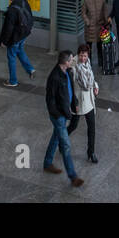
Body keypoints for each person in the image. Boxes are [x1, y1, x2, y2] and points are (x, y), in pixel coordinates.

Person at [43, 50, 84, 187]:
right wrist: (57, 114)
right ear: (66, 62)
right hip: (59, 116)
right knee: (65, 145)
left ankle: (47, 163)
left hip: (65, 112)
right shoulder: (54, 77)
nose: (73, 61)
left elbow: (70, 90)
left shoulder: (68, 71)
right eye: (72, 59)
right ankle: (73, 177)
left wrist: (74, 104)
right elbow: (50, 100)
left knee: (56, 137)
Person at [68, 44, 100, 164]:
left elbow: (91, 77)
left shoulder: (87, 62)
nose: (83, 58)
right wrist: (73, 102)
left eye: (85, 56)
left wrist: (95, 86)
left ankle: (91, 152)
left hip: (89, 100)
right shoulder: (73, 65)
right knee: (73, 125)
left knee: (92, 127)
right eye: (81, 55)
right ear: (78, 54)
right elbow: (70, 85)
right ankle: (61, 141)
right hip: (78, 101)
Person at [0, 0, 36, 87]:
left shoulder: (11, 10)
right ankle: (30, 69)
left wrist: (4, 42)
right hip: (25, 33)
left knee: (11, 57)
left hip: (16, 36)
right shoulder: (24, 2)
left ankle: (13, 81)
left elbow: (8, 28)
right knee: (20, 50)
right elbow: (30, 16)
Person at [81, 0, 111, 67]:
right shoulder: (86, 0)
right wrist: (87, 22)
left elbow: (105, 11)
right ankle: (88, 64)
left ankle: (101, 63)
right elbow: (83, 13)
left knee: (100, 46)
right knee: (88, 48)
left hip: (100, 27)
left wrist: (106, 22)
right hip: (90, 28)